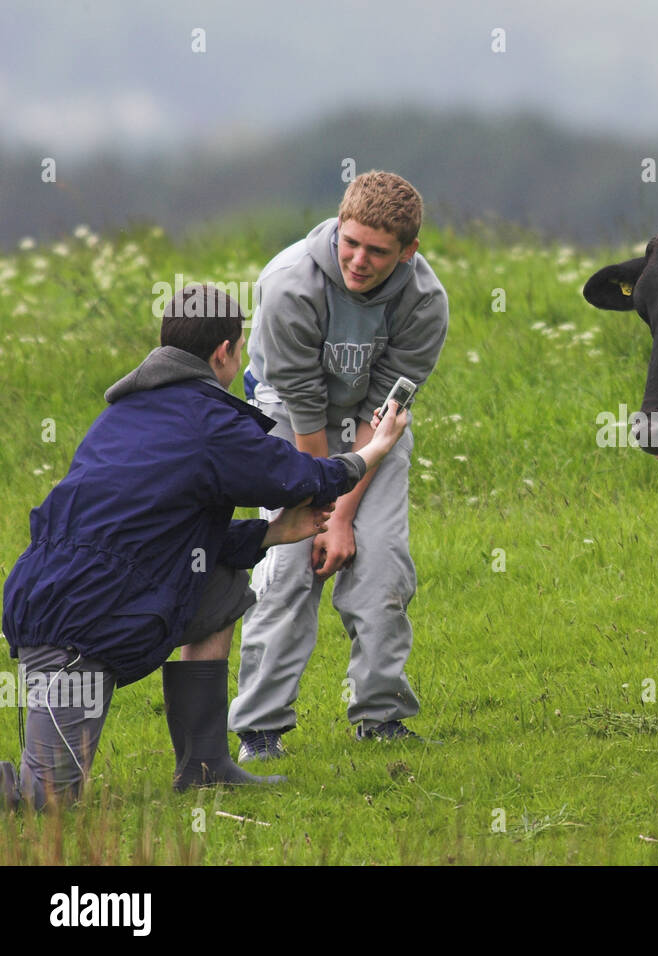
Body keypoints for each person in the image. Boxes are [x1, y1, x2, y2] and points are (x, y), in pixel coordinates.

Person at [0, 285, 409, 811]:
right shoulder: (207, 422)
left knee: (221, 585)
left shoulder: (123, 416)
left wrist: (267, 534)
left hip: (72, 597)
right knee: (46, 800)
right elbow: (296, 477)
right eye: (239, 352)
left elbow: (164, 542)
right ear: (224, 351)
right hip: (76, 623)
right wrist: (372, 448)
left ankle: (204, 767)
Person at [230, 170, 448, 760]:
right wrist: (322, 519)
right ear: (338, 226)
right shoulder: (288, 286)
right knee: (289, 566)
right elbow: (302, 410)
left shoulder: (424, 302)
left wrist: (346, 518)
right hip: (289, 422)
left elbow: (386, 411)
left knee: (383, 570)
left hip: (370, 429)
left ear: (409, 251)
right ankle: (260, 729)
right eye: (351, 243)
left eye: (378, 252)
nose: (358, 260)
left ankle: (380, 718)